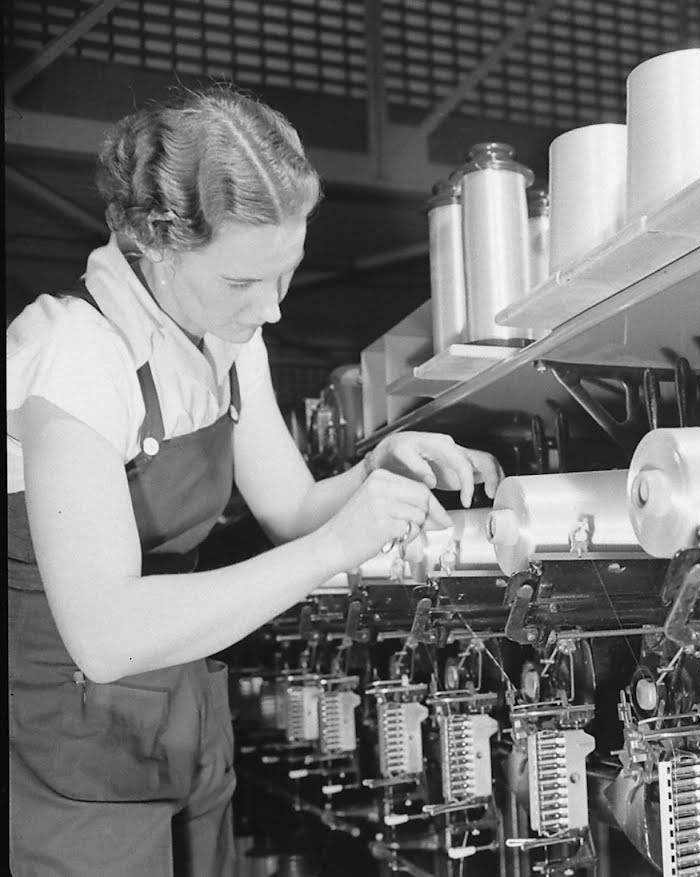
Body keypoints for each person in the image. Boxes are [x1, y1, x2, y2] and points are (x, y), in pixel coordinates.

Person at [6, 85, 504, 877]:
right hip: (68, 752)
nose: (272, 310)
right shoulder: (73, 354)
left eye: (287, 274)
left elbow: (292, 510)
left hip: (181, 723)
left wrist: (378, 468)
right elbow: (104, 635)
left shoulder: (227, 340)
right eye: (243, 282)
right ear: (159, 244)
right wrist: (334, 546)